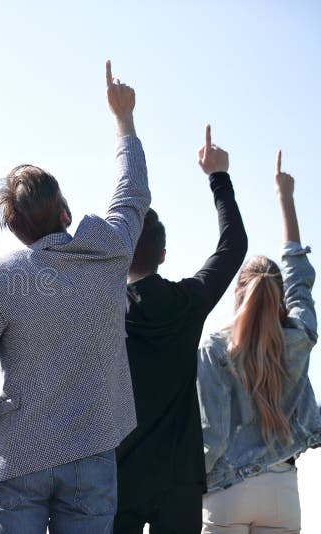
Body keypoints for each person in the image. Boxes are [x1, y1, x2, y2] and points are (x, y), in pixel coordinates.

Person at [0, 60, 149, 533]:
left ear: (19, 231)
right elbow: (132, 194)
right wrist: (123, 119)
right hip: (91, 454)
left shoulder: (1, 279)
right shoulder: (109, 252)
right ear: (65, 212)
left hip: (17, 455)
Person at [113, 126, 248, 534]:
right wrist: (218, 177)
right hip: (179, 474)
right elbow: (233, 245)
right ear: (164, 254)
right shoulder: (186, 304)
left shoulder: (103, 310)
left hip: (120, 471)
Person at [198, 152, 321, 533]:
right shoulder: (299, 338)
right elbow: (300, 278)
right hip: (282, 492)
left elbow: (212, 438)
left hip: (225, 492)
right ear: (280, 297)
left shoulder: (214, 349)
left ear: (238, 293)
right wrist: (285, 197)